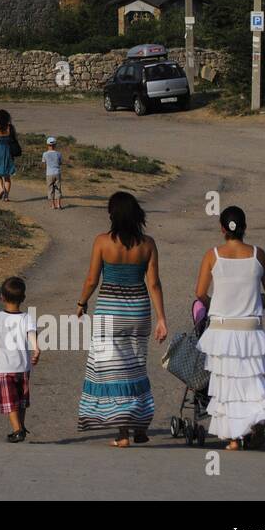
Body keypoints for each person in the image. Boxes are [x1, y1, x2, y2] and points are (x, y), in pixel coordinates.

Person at [75, 191, 168, 447]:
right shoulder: (148, 244)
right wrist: (161, 318)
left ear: (113, 215)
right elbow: (155, 284)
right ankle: (139, 428)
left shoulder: (102, 242)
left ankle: (123, 433)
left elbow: (92, 279)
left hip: (109, 314)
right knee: (135, 368)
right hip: (139, 313)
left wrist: (81, 302)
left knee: (113, 372)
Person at [195, 206, 265, 450]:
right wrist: (254, 306)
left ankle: (233, 438)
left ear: (222, 229)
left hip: (222, 329)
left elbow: (200, 293)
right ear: (245, 228)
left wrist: (215, 307)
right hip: (250, 329)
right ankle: (256, 425)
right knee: (252, 379)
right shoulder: (258, 254)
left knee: (227, 382)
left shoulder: (213, 255)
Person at [0, 276, 40, 442]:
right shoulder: (27, 317)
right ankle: (21, 426)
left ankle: (17, 430)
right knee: (21, 399)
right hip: (23, 366)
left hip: (5, 368)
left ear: (2, 297)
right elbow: (31, 333)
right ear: (23, 298)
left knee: (10, 401)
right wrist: (36, 348)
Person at [0, 109, 18, 201]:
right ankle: (6, 196)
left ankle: (1, 189)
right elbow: (14, 139)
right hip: (7, 150)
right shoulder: (10, 128)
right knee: (7, 175)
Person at [42, 136, 63, 210]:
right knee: (58, 188)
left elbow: (44, 164)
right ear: (55, 145)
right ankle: (59, 205)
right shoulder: (59, 154)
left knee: (50, 189)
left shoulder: (45, 154)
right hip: (57, 173)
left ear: (47, 145)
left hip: (49, 173)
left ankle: (53, 205)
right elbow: (60, 163)